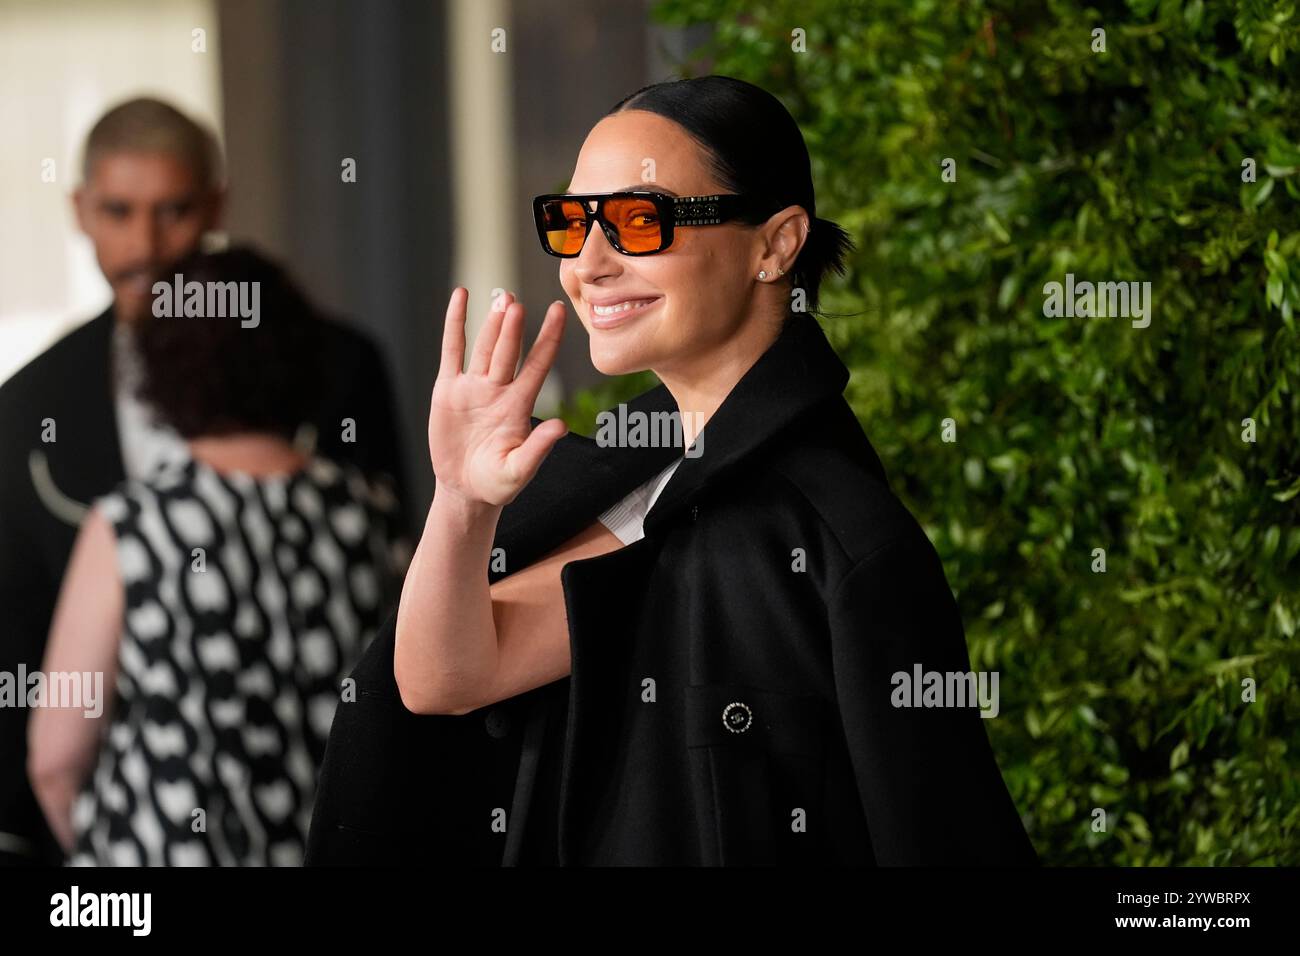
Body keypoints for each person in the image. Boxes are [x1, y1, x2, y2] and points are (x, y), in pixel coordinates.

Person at [307, 75, 1037, 865]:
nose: (588, 264)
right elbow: (442, 680)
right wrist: (461, 500)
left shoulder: (842, 541)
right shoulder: (625, 479)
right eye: (571, 221)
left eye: (636, 221)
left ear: (775, 244)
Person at [0, 97, 407, 866]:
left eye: (174, 211)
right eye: (119, 212)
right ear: (81, 211)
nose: (145, 245)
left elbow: (409, 656)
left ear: (216, 203)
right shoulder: (27, 406)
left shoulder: (343, 367)